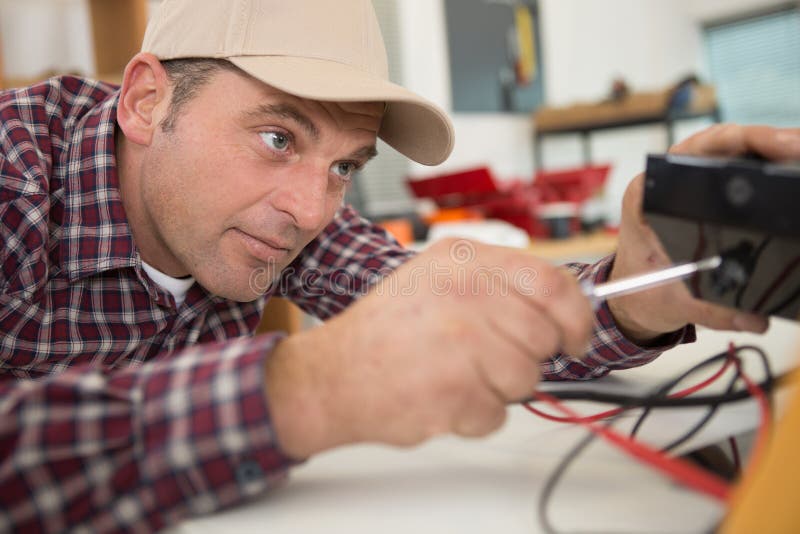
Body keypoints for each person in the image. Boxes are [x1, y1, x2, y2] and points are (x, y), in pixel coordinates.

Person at [0, 0, 796, 531]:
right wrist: (307, 389)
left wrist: (638, 291)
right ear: (145, 102)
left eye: (343, 165)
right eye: (278, 137)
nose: (313, 210)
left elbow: (448, 305)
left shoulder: (292, 217)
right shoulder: (15, 176)